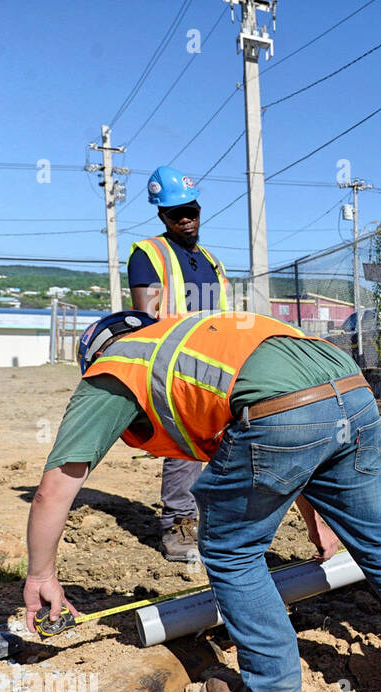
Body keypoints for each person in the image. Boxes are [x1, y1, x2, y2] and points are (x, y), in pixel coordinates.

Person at [23, 309, 381, 692]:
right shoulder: (193, 341)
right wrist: (316, 520)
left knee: (232, 551)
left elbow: (53, 490)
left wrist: (41, 573)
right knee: (379, 542)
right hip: (353, 391)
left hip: (282, 410)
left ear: (95, 354)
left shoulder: (118, 367)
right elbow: (299, 411)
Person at [127, 166, 233, 563]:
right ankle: (178, 525)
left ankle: (212, 519)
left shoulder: (210, 260)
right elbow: (146, 316)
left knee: (222, 440)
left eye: (191, 210)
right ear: (162, 216)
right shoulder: (149, 254)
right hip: (172, 362)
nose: (186, 219)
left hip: (213, 359)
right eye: (176, 214)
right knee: (184, 446)